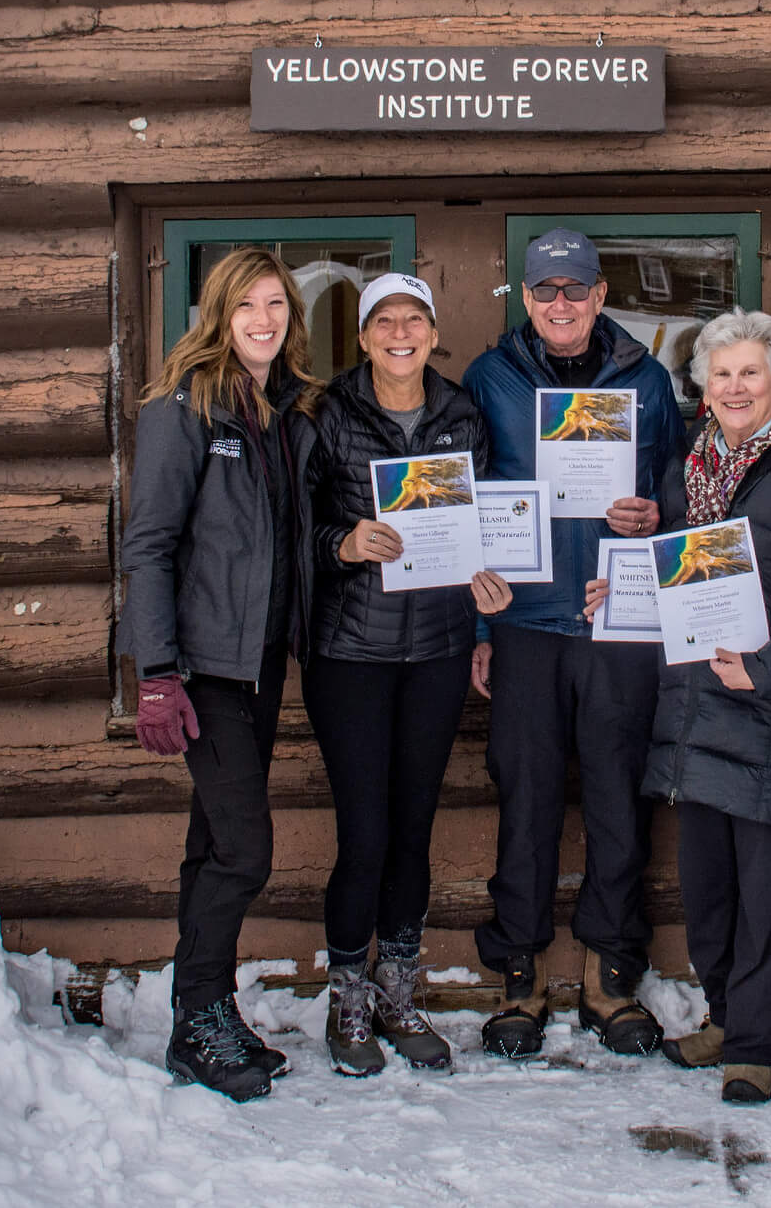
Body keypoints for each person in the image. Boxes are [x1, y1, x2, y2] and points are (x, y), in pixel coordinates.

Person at [591, 310, 771, 1104]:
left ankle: (753, 1045)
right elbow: (670, 577)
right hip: (696, 709)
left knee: (765, 894)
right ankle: (727, 1014)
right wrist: (620, 596)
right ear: (703, 385)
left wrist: (766, 667)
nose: (735, 387)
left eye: (750, 373)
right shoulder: (684, 466)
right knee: (706, 892)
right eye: (722, 373)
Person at [464, 227, 689, 1059]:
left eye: (576, 288)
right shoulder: (490, 377)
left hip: (617, 622)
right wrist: (481, 626)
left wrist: (654, 518)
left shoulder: (646, 377)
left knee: (617, 800)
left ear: (600, 296)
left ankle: (610, 970)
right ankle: (518, 969)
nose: (561, 304)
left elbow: (676, 484)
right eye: (545, 290)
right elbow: (468, 504)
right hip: (524, 624)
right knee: (523, 799)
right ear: (526, 299)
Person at [119, 247, 322, 1103]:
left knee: (213, 843)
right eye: (248, 306)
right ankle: (198, 1017)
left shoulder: (280, 412)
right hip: (203, 667)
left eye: (277, 305)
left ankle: (203, 1012)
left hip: (257, 662)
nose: (264, 320)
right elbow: (150, 544)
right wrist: (156, 670)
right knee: (243, 849)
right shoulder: (185, 407)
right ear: (218, 313)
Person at [303, 272, 516, 1077]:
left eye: (414, 320)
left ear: (432, 332)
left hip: (434, 649)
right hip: (350, 653)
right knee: (364, 832)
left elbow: (485, 518)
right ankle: (347, 997)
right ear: (362, 337)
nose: (401, 333)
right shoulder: (326, 413)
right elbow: (300, 525)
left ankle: (397, 988)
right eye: (384, 321)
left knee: (412, 827)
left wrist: (487, 584)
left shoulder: (462, 412)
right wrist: (342, 543)